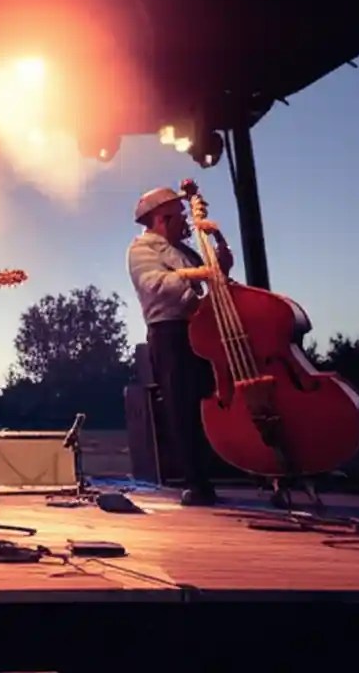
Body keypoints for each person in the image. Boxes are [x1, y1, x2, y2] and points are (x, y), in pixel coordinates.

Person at [127, 186, 234, 506]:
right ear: (162, 218)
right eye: (179, 216)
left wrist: (219, 251)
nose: (185, 222)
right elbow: (156, 285)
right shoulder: (141, 249)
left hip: (202, 327)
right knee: (182, 406)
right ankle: (195, 481)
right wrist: (199, 273)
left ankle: (231, 463)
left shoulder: (185, 251)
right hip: (170, 332)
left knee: (207, 399)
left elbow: (216, 278)